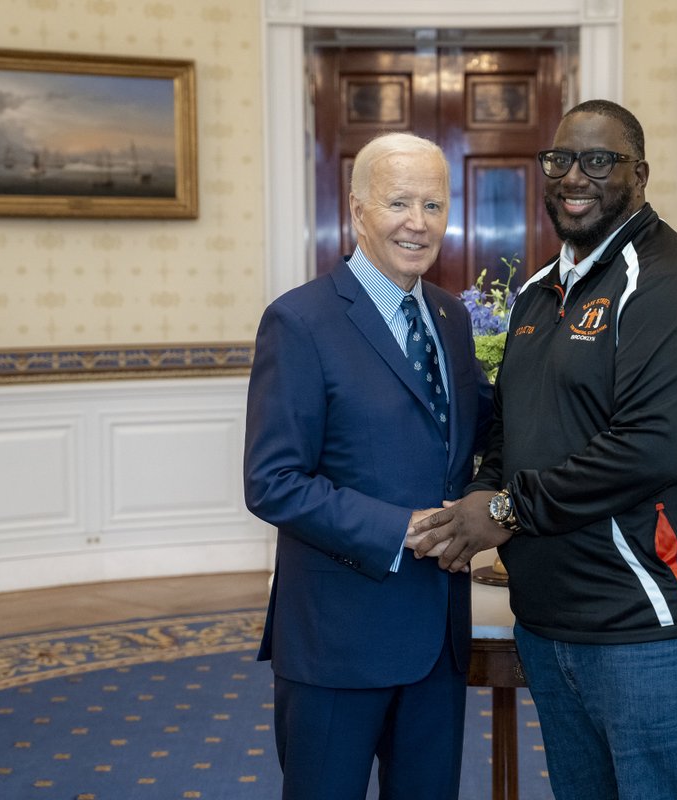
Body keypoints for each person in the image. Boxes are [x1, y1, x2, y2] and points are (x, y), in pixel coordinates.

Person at [412, 100, 677, 800]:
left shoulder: (672, 281)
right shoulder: (538, 292)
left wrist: (506, 512)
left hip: (659, 626)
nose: (575, 176)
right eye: (561, 160)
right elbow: (510, 430)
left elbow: (650, 450)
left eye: (600, 160)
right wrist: (481, 494)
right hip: (554, 622)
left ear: (640, 174)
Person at [244, 131, 493, 800]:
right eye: (399, 203)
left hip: (438, 638)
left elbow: (478, 433)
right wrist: (401, 529)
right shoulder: (299, 321)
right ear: (357, 211)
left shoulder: (450, 317)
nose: (419, 223)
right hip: (338, 640)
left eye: (434, 205)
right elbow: (272, 482)